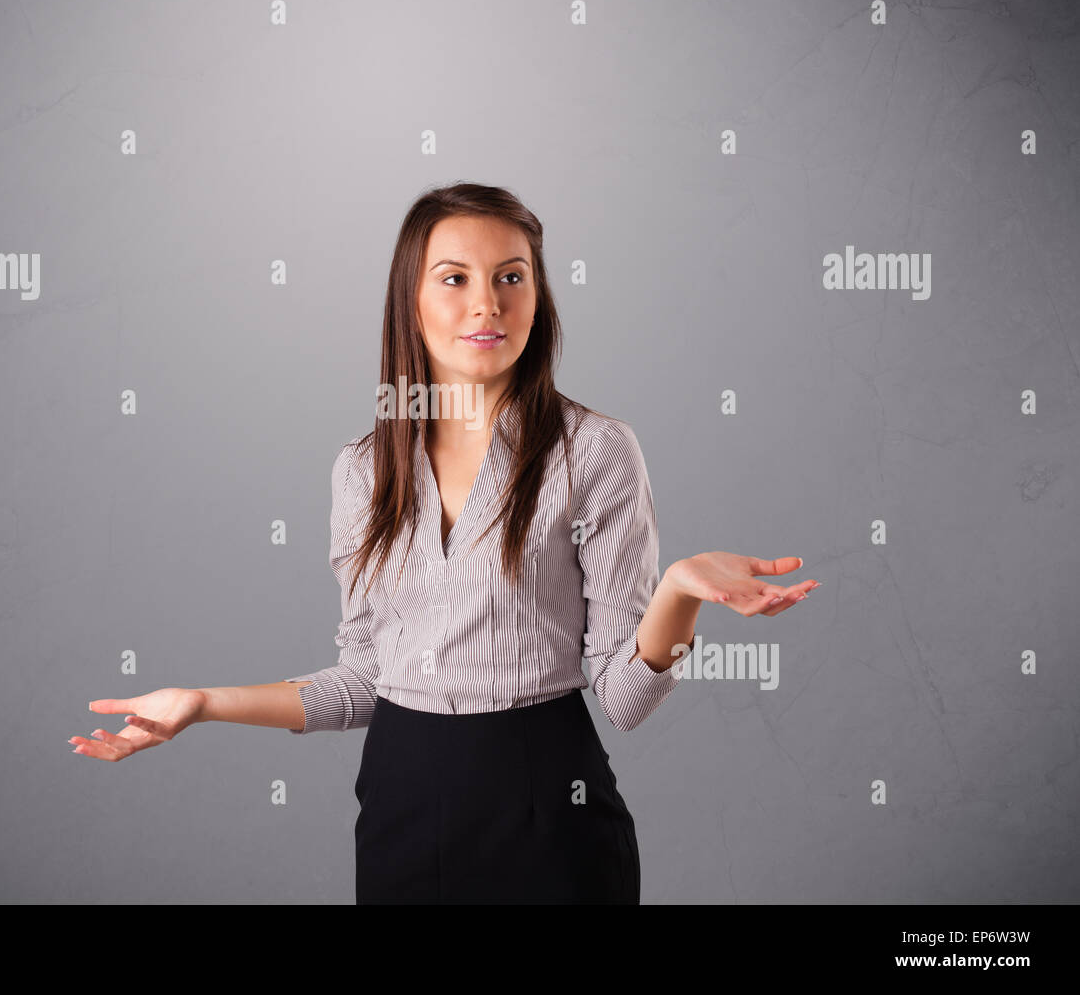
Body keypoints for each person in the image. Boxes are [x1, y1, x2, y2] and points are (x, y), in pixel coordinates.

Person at [69, 182, 819, 904]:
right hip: (402, 804)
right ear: (412, 302)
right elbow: (366, 676)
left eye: (511, 276)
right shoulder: (363, 469)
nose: (487, 302)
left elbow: (623, 697)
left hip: (551, 808)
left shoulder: (596, 451)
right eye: (455, 278)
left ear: (539, 296)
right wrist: (203, 703)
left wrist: (679, 589)